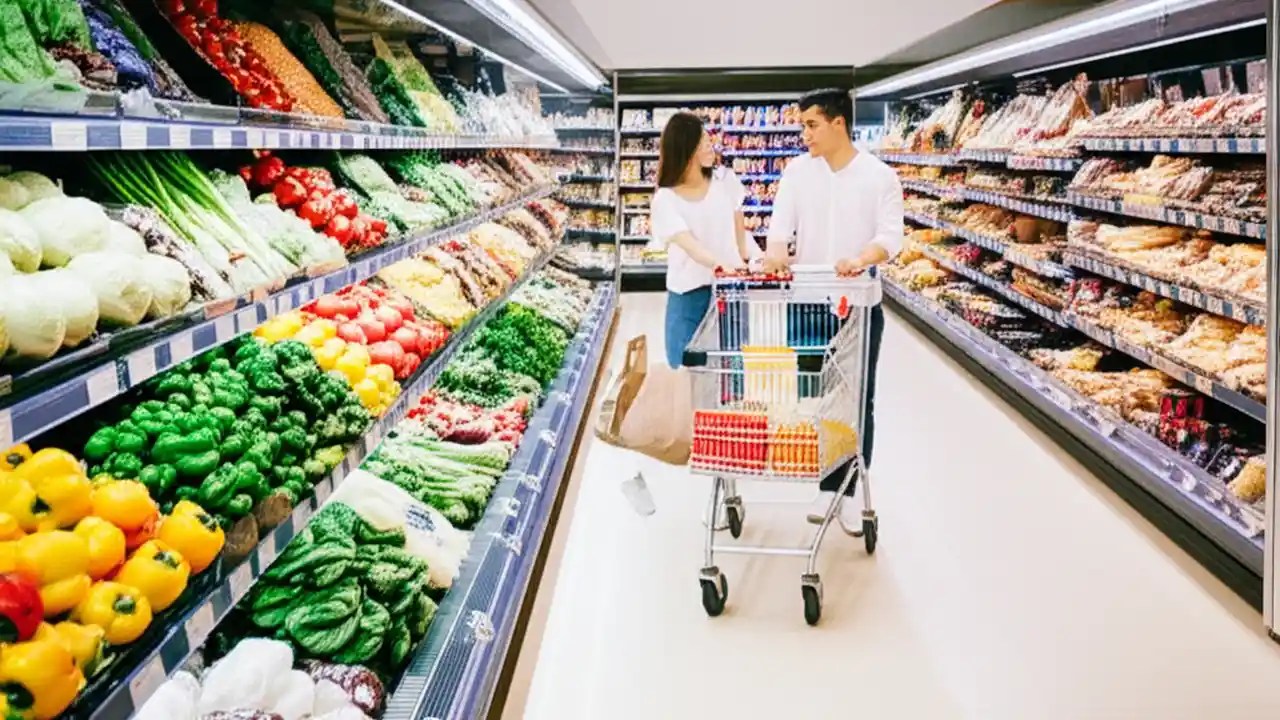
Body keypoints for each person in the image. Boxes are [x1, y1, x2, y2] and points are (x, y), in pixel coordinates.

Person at [763, 88, 903, 534]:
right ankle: (826, 479)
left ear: (838, 123)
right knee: (814, 398)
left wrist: (861, 259)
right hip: (806, 300)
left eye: (812, 124)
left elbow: (891, 237)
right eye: (803, 125)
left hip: (857, 303)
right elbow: (780, 230)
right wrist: (774, 256)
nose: (805, 134)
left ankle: (843, 489)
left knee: (856, 398)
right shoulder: (796, 173)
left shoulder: (879, 177)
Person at [651, 112, 753, 368]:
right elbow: (692, 246)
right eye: (705, 141)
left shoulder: (725, 181)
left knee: (733, 365)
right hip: (689, 292)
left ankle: (730, 406)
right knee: (686, 368)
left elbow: (738, 224)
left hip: (731, 289)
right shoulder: (665, 199)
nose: (711, 146)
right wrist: (722, 264)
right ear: (687, 147)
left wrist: (746, 258)